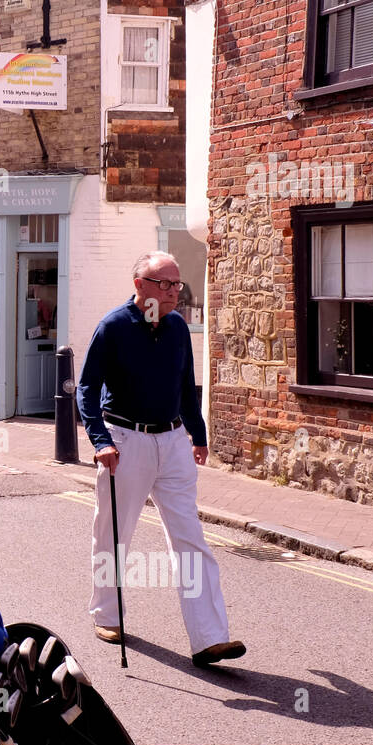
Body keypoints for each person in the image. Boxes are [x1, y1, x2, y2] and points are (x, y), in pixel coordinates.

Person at [75, 251, 245, 669]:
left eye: (177, 284)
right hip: (124, 441)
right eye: (165, 284)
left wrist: (197, 434)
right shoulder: (113, 327)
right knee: (114, 534)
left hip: (172, 442)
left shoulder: (177, 328)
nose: (175, 292)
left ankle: (209, 638)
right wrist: (99, 441)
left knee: (190, 537)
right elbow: (85, 389)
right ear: (140, 285)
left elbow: (186, 386)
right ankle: (107, 615)